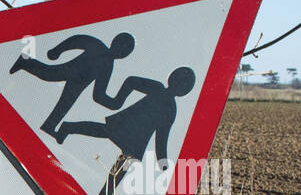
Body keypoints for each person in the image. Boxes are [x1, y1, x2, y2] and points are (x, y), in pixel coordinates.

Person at [54, 66, 196, 164]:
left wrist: (162, 160)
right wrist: (119, 100)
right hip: (129, 122)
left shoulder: (171, 109)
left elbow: (162, 136)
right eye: (180, 81)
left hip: (139, 136)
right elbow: (132, 81)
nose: (181, 86)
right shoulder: (158, 89)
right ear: (173, 78)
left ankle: (107, 193)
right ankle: (68, 127)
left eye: (185, 85)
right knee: (103, 131)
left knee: (127, 158)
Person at [10, 32, 135, 135]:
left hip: (79, 83)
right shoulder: (98, 47)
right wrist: (57, 50)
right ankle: (25, 61)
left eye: (126, 52)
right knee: (47, 74)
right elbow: (77, 40)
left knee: (64, 105)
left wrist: (116, 103)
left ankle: (49, 126)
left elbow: (98, 94)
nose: (123, 53)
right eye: (123, 48)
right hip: (71, 71)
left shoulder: (108, 66)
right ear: (115, 43)